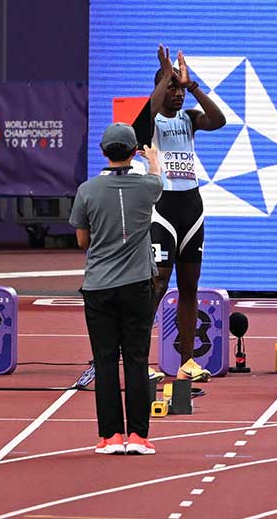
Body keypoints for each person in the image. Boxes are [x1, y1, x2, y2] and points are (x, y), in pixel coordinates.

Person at [69, 123, 163, 455]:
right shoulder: (149, 186)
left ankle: (110, 437)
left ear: (103, 152)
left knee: (105, 361)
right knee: (137, 360)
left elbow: (82, 240)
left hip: (99, 287)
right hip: (137, 286)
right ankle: (138, 436)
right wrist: (152, 159)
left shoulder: (87, 190)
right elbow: (157, 177)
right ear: (134, 151)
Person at [148, 45, 226, 382]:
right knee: (157, 284)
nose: (178, 94)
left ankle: (187, 361)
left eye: (180, 89)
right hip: (162, 209)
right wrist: (166, 74)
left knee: (190, 287)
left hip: (191, 209)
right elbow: (150, 109)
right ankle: (140, 359)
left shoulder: (189, 119)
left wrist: (192, 86)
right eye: (173, 88)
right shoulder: (149, 120)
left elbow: (219, 121)